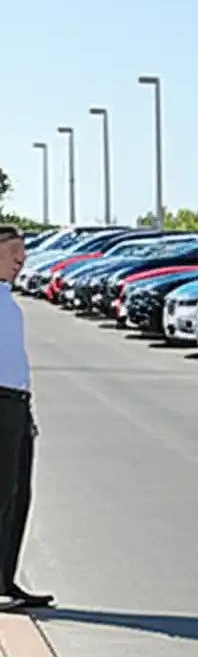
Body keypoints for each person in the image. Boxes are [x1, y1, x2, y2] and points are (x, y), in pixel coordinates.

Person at [0, 225, 54, 611]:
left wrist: (26, 407)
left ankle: (6, 581)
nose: (21, 260)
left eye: (24, 253)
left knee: (19, 494)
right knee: (1, 493)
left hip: (16, 403)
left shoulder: (8, 299)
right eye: (13, 252)